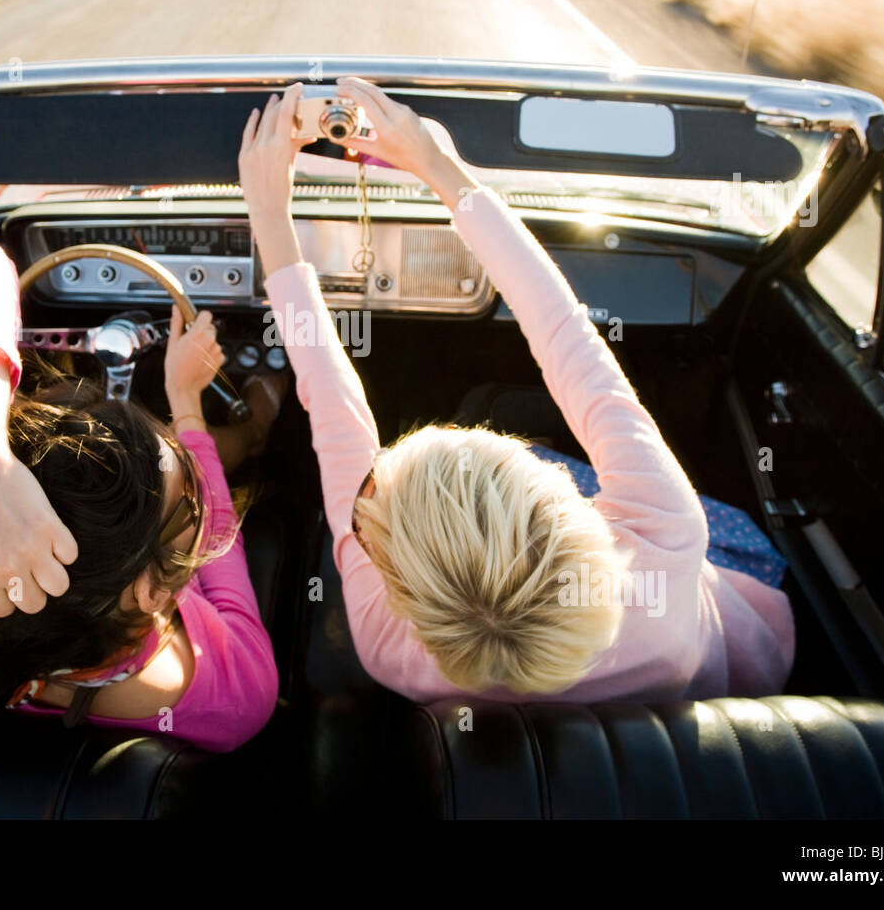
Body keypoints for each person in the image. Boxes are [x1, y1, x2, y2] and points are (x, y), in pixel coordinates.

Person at [237, 77, 795, 703]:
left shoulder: (384, 645)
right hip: (743, 679)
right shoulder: (668, 538)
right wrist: (442, 169)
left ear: (396, 579)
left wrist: (267, 216)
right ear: (560, 496)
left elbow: (335, 414)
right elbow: (566, 336)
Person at [0, 243, 282, 751]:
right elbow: (225, 547)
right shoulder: (236, 693)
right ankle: (261, 429)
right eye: (189, 502)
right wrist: (186, 405)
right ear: (151, 592)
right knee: (246, 442)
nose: (202, 509)